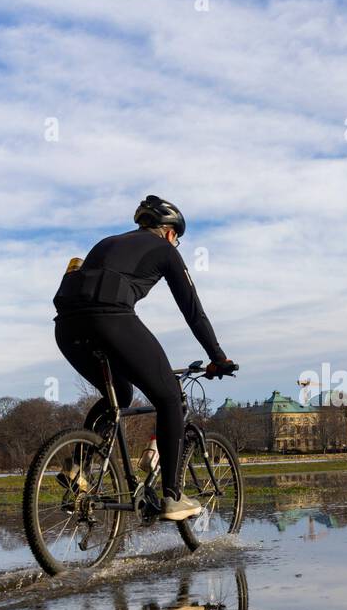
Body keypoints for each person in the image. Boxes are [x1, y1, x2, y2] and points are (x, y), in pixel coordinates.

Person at [52, 195, 238, 520]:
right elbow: (193, 310)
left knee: (120, 395)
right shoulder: (166, 250)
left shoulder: (107, 242)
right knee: (168, 398)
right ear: (169, 233)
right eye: (177, 238)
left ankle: (77, 468)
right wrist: (218, 357)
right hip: (110, 318)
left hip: (67, 327)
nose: (175, 243)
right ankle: (171, 497)